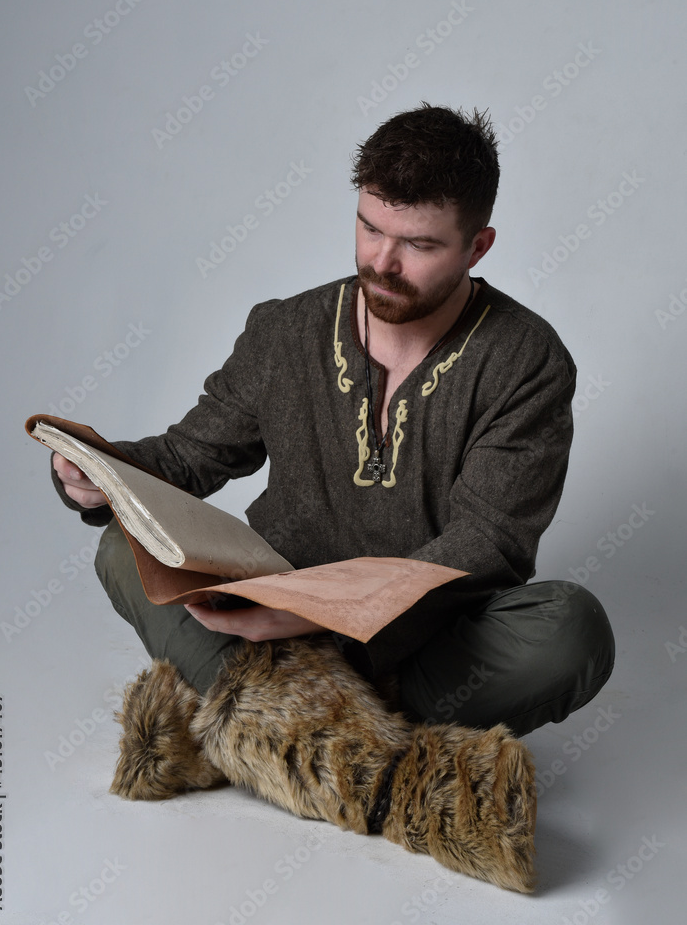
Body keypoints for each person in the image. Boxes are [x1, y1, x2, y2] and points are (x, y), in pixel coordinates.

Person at [50, 103, 614, 891]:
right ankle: (402, 777)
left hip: (419, 646)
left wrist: (325, 611)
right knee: (120, 547)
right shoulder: (285, 331)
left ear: (478, 245)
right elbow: (187, 458)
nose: (382, 261)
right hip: (261, 633)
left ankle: (260, 731)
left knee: (571, 630)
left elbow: (488, 545)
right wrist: (98, 471)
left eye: (418, 245)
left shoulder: (526, 361)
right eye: (369, 228)